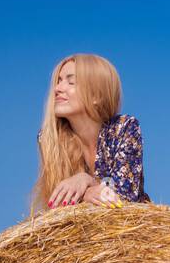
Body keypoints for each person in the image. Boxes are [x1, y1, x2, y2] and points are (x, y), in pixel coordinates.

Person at [30, 53, 152, 217]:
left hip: (131, 230)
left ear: (96, 95)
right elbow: (57, 208)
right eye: (58, 81)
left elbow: (123, 197)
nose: (57, 89)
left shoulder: (124, 128)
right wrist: (87, 193)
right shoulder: (49, 139)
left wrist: (85, 180)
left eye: (70, 82)